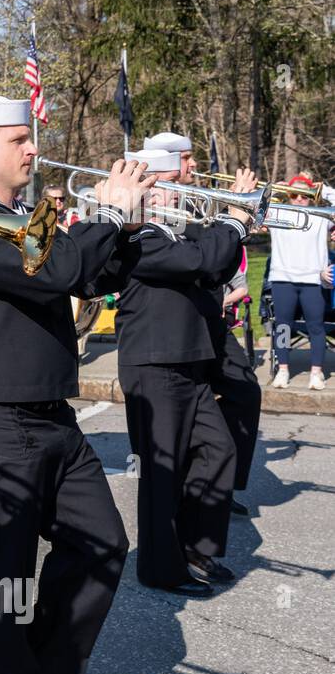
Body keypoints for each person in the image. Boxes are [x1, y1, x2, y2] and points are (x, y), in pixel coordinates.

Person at [0, 94, 151, 674]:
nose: (33, 149)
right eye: (18, 140)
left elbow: (91, 270)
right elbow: (56, 268)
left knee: (103, 544)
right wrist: (108, 215)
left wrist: (128, 228)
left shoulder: (17, 220)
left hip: (51, 415)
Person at [110, 149, 250, 598]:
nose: (179, 189)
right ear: (147, 185)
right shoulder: (136, 235)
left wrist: (235, 230)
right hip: (153, 363)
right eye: (170, 180)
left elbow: (214, 269)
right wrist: (233, 221)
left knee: (218, 450)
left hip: (189, 359)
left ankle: (194, 546)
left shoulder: (179, 230)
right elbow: (195, 263)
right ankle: (160, 568)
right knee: (162, 473)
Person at [205, 245, 262, 516]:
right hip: (181, 327)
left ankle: (223, 486)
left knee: (247, 393)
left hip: (216, 325)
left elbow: (239, 284)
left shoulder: (220, 236)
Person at [264, 175, 333, 390]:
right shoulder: (277, 213)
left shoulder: (322, 216)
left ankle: (316, 372)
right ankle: (283, 369)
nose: (300, 199)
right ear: (288, 196)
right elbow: (255, 209)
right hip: (283, 279)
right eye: (294, 195)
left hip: (314, 280)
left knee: (316, 327)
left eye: (306, 195)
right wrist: (275, 190)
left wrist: (325, 191)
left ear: (312, 196)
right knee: (283, 327)